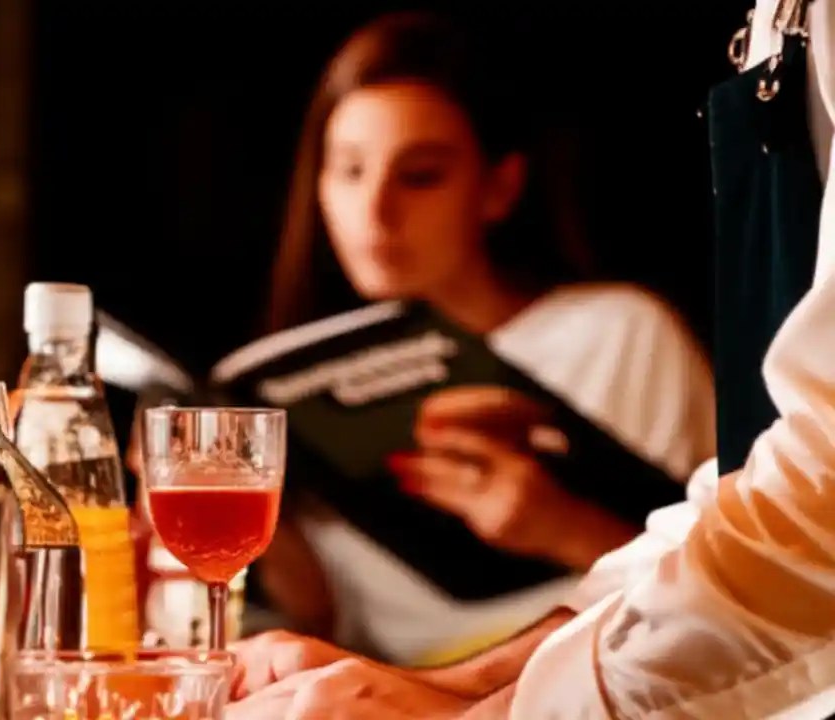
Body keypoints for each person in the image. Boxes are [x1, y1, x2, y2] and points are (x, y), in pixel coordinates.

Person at [228, 0, 835, 716]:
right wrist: (446, 691)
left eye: (419, 175)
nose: (376, 211)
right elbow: (720, 522)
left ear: (500, 186)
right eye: (350, 171)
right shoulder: (305, 386)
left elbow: (797, 524)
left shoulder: (616, 332)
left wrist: (475, 698)